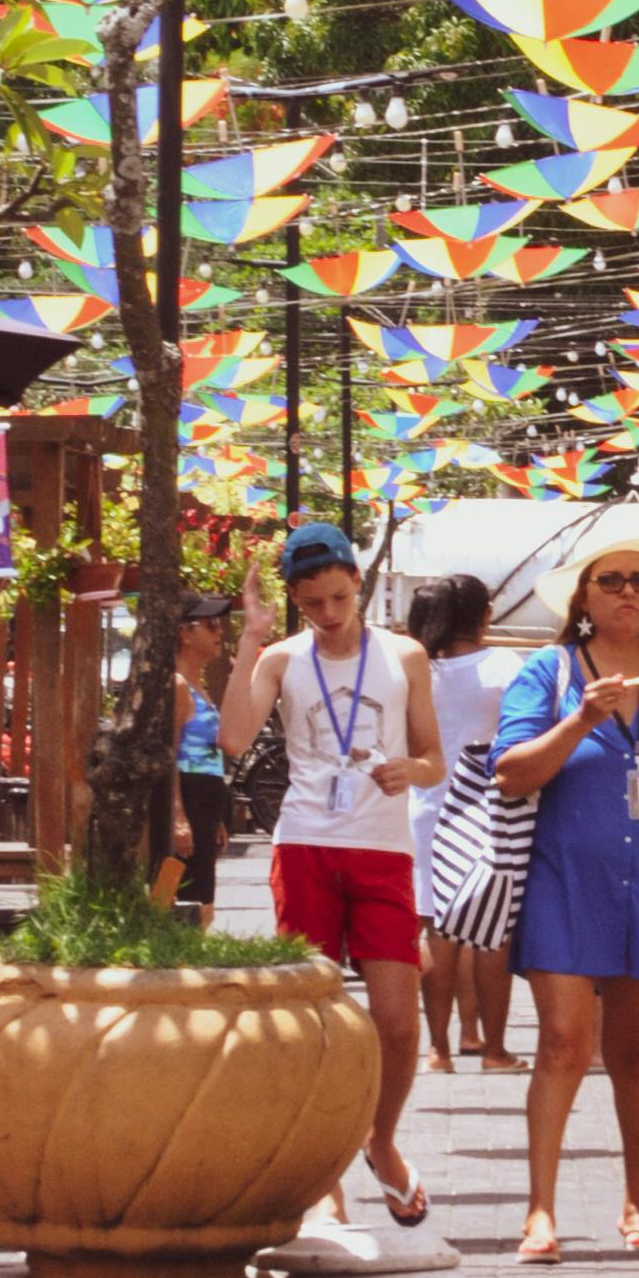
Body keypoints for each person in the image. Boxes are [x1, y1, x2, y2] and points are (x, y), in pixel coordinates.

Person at [492, 514, 639, 1264]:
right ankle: (539, 1212)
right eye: (611, 581)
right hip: (564, 881)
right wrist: (577, 723)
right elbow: (511, 772)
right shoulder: (551, 673)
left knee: (636, 1055)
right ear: (584, 600)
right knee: (562, 1042)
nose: (627, 593)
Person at [223, 521, 444, 1227]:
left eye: (340, 598)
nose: (329, 615)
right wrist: (249, 640)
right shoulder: (283, 660)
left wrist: (412, 769)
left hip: (382, 848)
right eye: (313, 603)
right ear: (294, 601)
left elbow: (435, 756)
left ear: (359, 585)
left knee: (397, 1022)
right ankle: (322, 1173)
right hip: (308, 843)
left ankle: (379, 1141)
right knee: (308, 1020)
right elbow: (232, 738)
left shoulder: (404, 655)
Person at [404, 574, 523, 1076]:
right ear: (483, 615)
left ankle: (439, 1050)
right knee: (491, 934)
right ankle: (492, 1047)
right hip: (488, 809)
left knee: (436, 932)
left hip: (425, 806)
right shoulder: (505, 667)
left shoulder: (412, 670)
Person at [166, 593, 234, 914]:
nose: (219, 632)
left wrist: (217, 816)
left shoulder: (200, 688)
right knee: (190, 903)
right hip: (189, 797)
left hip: (206, 801)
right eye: (210, 625)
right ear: (185, 633)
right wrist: (178, 816)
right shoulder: (178, 686)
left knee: (203, 903)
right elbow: (171, 754)